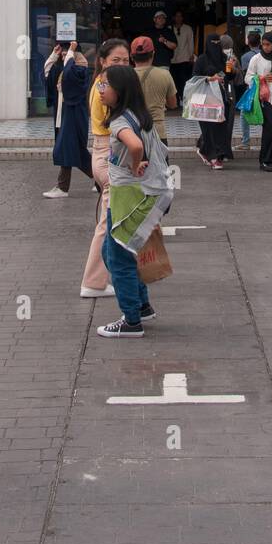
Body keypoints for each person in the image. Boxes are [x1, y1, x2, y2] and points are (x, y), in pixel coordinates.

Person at [96, 65, 173, 339]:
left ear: (121, 90)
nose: (100, 91)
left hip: (136, 197)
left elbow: (136, 146)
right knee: (112, 251)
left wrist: (134, 164)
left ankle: (131, 321)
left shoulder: (120, 122)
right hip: (142, 193)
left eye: (105, 85)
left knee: (118, 257)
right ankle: (141, 306)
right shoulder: (138, 115)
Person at [80, 37, 129, 299]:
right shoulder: (105, 88)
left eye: (125, 60)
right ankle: (93, 282)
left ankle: (99, 279)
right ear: (102, 61)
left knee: (110, 220)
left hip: (104, 154)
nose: (122, 64)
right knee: (107, 224)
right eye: (115, 60)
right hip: (107, 154)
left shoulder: (106, 84)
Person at [43, 40, 95, 198]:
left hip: (74, 115)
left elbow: (69, 76)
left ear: (76, 55)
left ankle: (62, 188)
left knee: (67, 148)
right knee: (77, 151)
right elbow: (47, 73)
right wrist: (54, 55)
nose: (65, 57)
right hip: (63, 115)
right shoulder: (65, 68)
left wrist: (71, 53)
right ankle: (103, 180)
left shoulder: (81, 70)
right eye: (63, 55)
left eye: (68, 54)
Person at [245, 31, 272, 171]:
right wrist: (261, 78)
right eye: (263, 44)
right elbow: (248, 78)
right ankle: (263, 160)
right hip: (262, 98)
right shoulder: (256, 59)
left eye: (268, 44)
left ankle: (269, 159)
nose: (265, 47)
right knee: (270, 128)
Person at [130, 36, 178, 142]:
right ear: (153, 54)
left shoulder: (125, 76)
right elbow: (173, 104)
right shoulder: (164, 74)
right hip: (157, 132)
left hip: (131, 133)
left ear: (131, 56)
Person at [192, 34, 229, 169]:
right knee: (208, 129)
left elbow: (228, 75)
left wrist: (232, 69)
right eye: (212, 42)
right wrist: (209, 79)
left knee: (219, 128)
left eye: (217, 42)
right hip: (205, 100)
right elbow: (194, 78)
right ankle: (213, 157)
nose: (215, 45)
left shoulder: (224, 58)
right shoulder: (202, 60)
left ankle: (211, 153)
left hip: (220, 99)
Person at [219, 34, 244, 160]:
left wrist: (233, 69)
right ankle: (223, 150)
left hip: (221, 92)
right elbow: (240, 80)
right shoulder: (233, 58)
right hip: (229, 93)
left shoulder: (229, 58)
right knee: (227, 122)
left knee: (221, 121)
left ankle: (222, 150)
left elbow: (239, 77)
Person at [239, 30, 262, 150]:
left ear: (248, 42)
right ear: (260, 42)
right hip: (265, 89)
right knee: (267, 117)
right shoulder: (265, 54)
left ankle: (246, 142)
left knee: (243, 114)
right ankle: (271, 146)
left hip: (252, 89)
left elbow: (245, 74)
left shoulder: (245, 57)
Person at [170, 10, 195, 103]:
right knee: (173, 81)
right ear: (173, 18)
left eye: (180, 16)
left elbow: (190, 42)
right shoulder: (170, 28)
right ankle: (175, 100)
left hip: (184, 58)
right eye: (176, 16)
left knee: (183, 79)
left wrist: (191, 54)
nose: (178, 18)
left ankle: (183, 98)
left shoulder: (187, 28)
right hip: (172, 59)